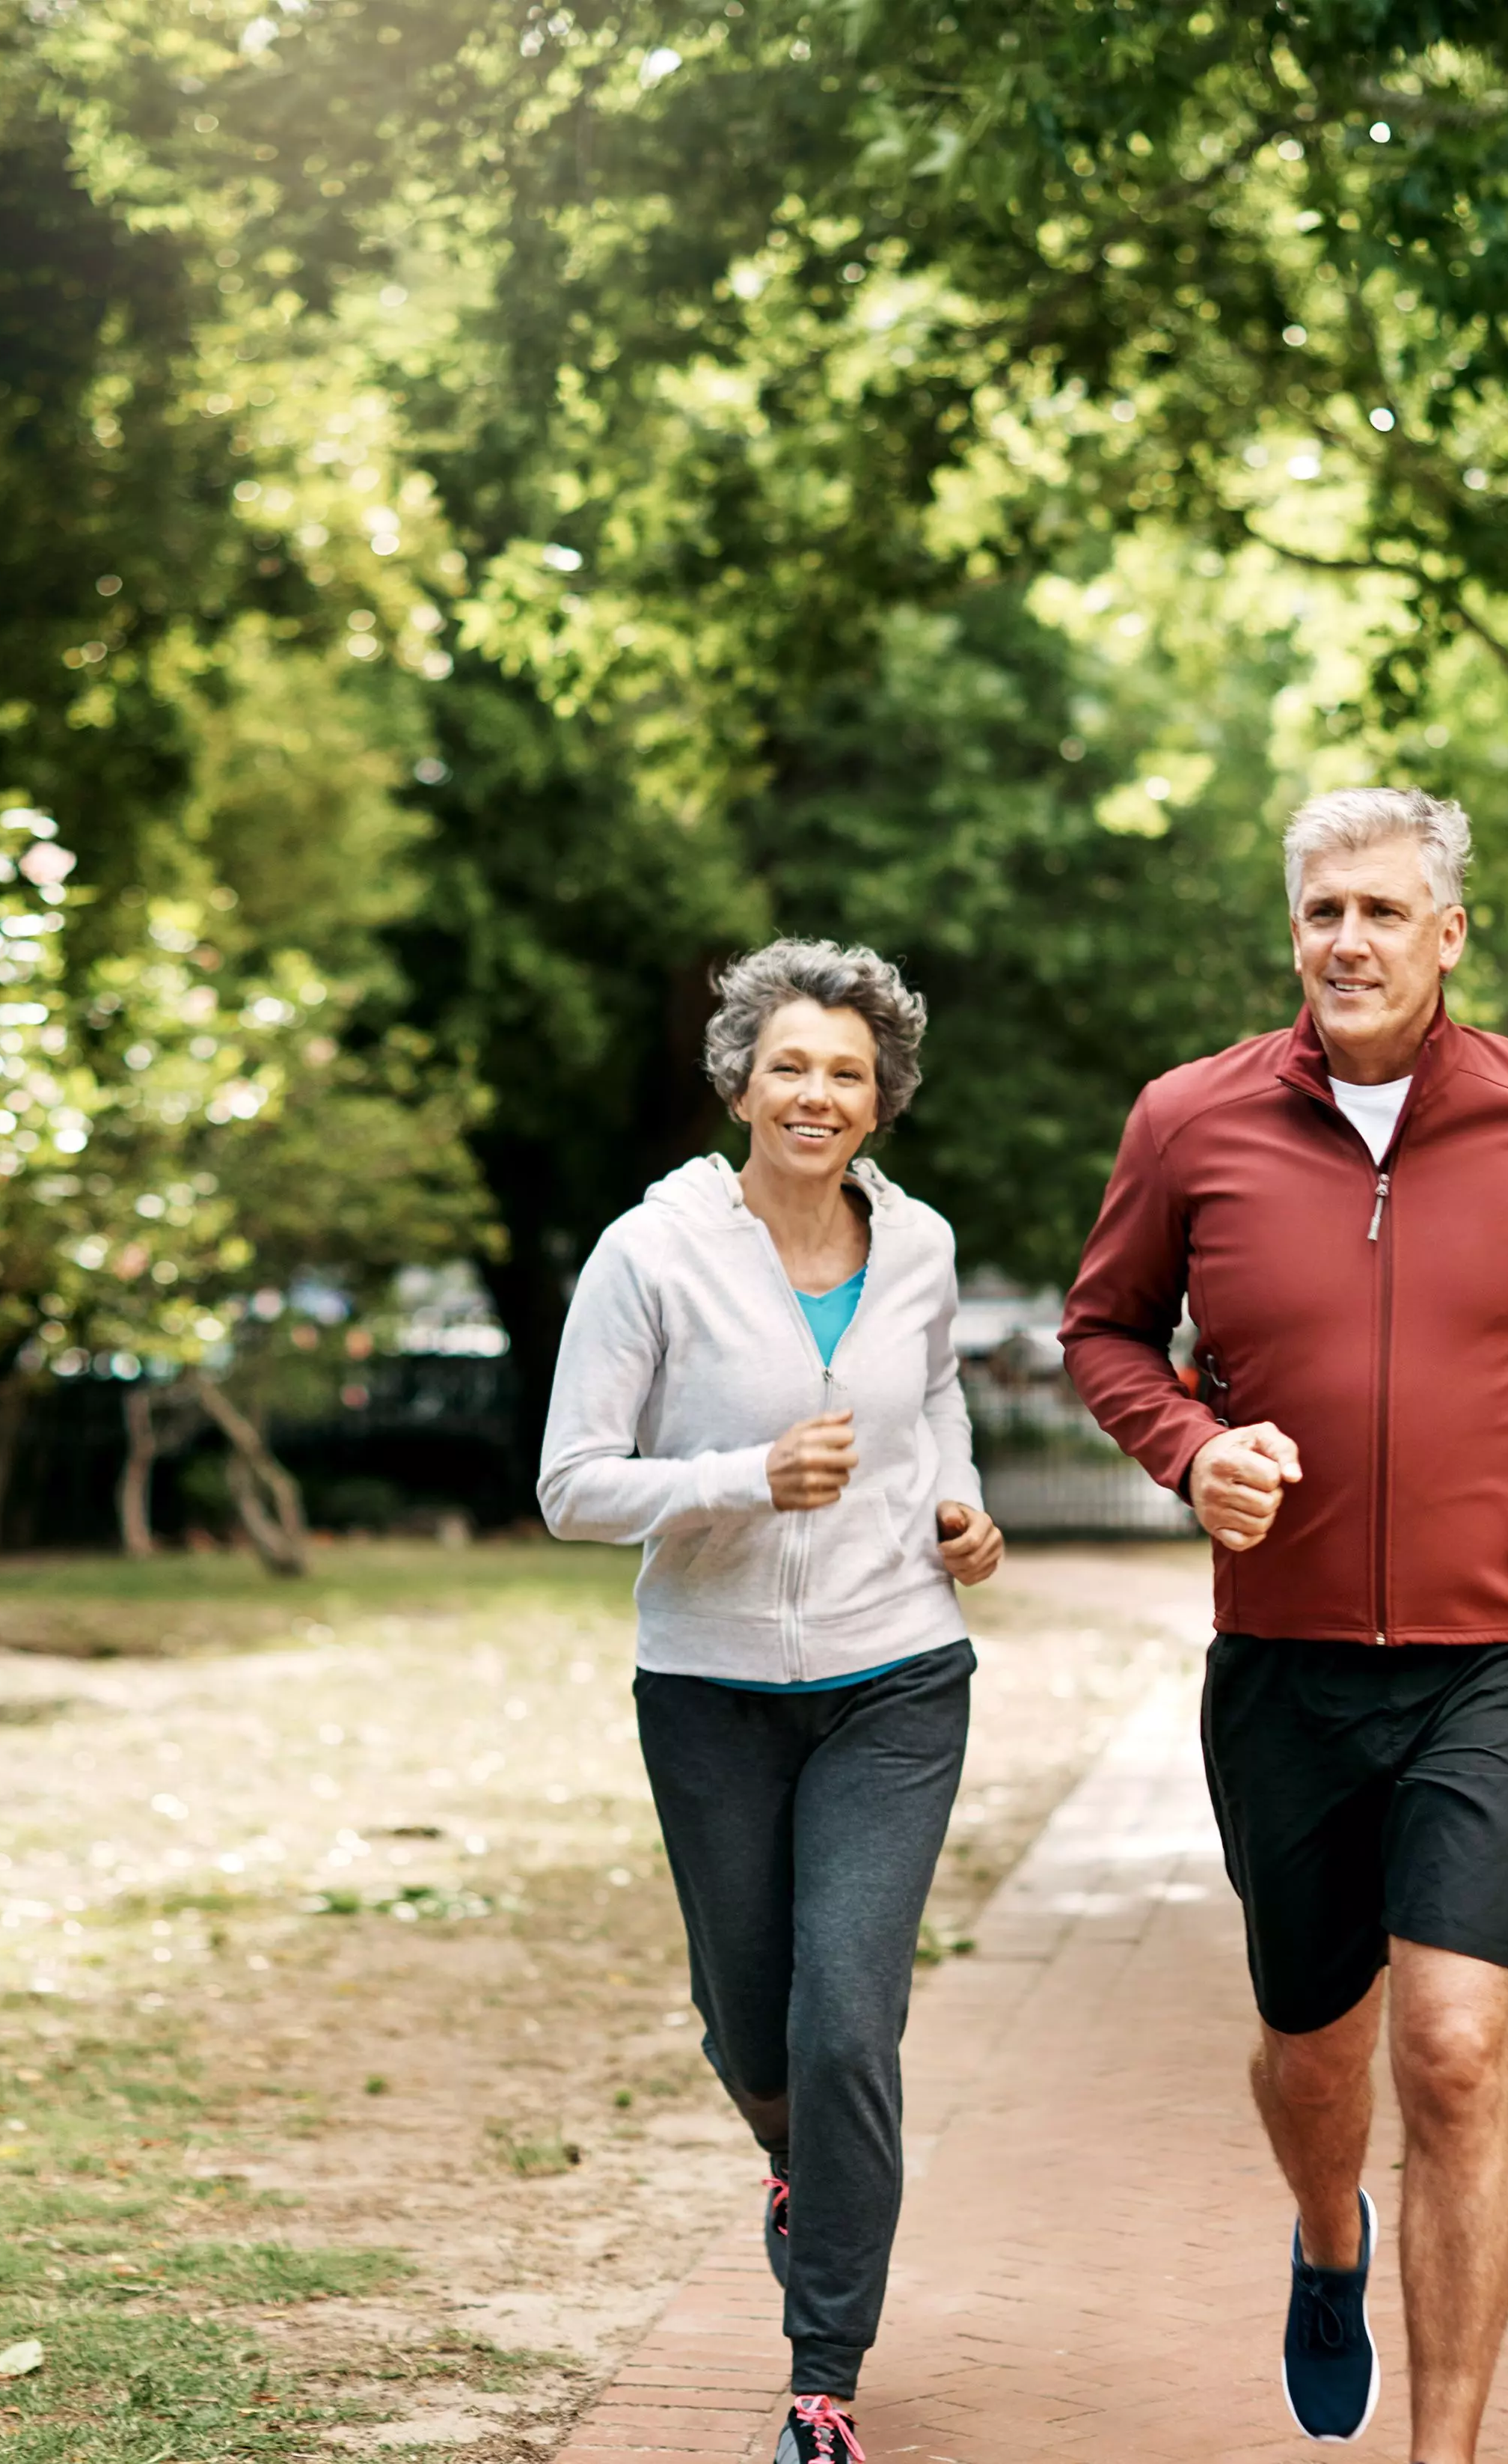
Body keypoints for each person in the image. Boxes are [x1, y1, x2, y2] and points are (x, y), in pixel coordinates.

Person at [1059, 787, 1508, 2454]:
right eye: (1322, 909)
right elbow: (1106, 1330)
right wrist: (1191, 1451)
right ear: (1293, 927)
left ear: (1448, 932)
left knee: (1457, 2044)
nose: (1349, 938)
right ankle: (1327, 2233)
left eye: (1383, 911)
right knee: (1311, 2052)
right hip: (1279, 1667)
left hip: (1487, 1653)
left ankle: (1445, 2446)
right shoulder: (1189, 1119)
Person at [539, 938, 1008, 2464]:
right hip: (711, 1691)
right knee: (754, 2025)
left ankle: (824, 2373)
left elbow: (929, 1397)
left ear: (883, 1103)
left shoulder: (919, 1245)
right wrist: (745, 1476)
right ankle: (796, 2162)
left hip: (897, 1676)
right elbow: (569, 1485)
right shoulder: (649, 1253)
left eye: (848, 1073)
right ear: (741, 1077)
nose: (817, 1093)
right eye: (791, 1064)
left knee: (847, 2019)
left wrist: (960, 1503)